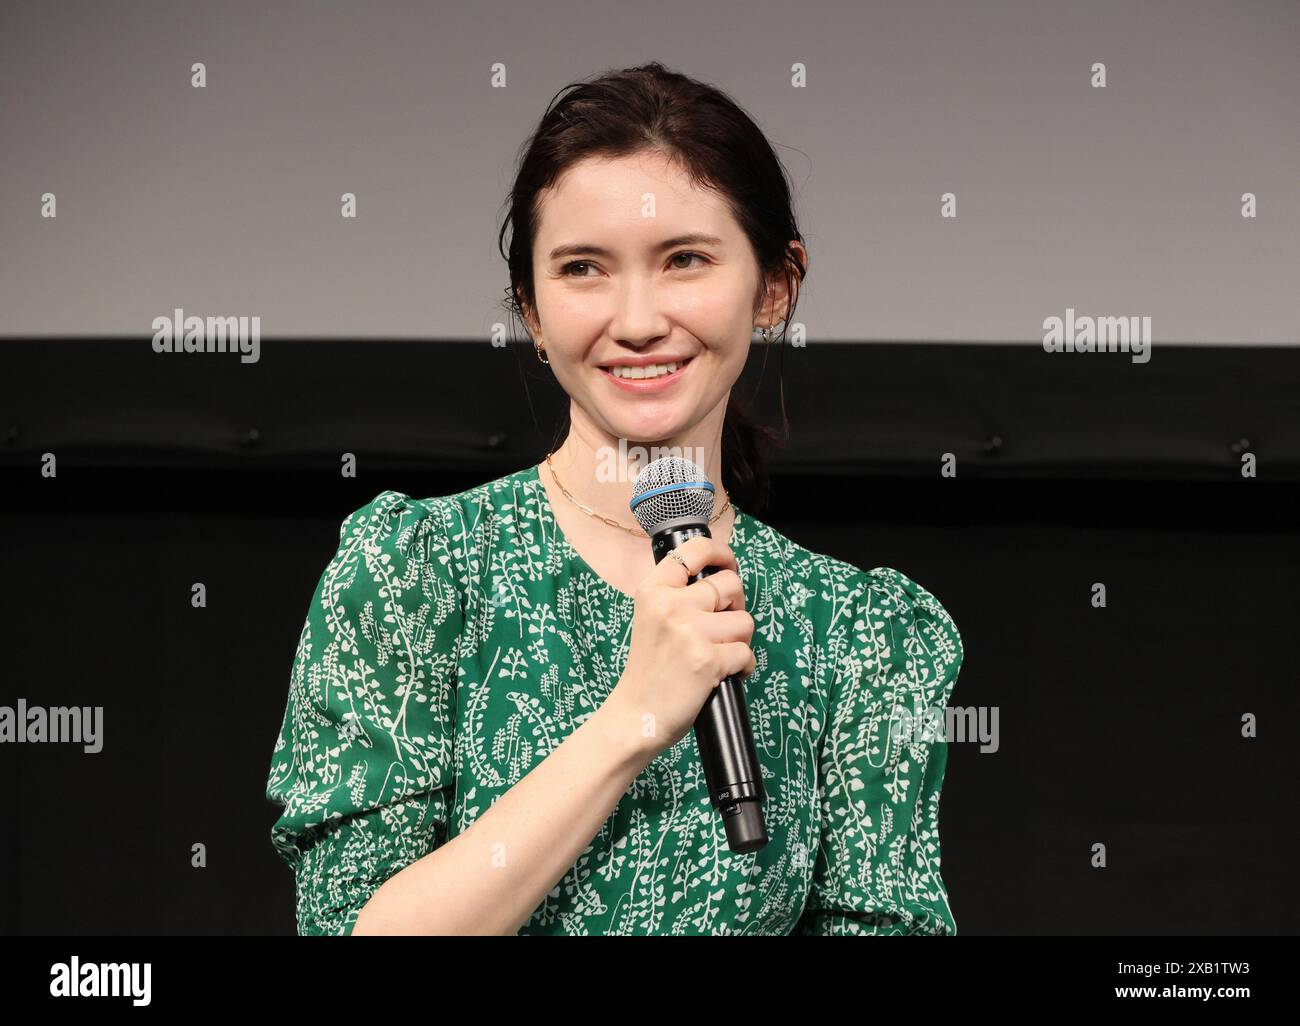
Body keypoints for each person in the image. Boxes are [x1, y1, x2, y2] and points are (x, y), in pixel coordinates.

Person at [264, 61, 963, 936]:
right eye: (584, 269)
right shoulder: (415, 575)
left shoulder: (860, 635)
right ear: (531, 306)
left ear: (775, 288)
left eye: (685, 261)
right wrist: (632, 717)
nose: (636, 320)